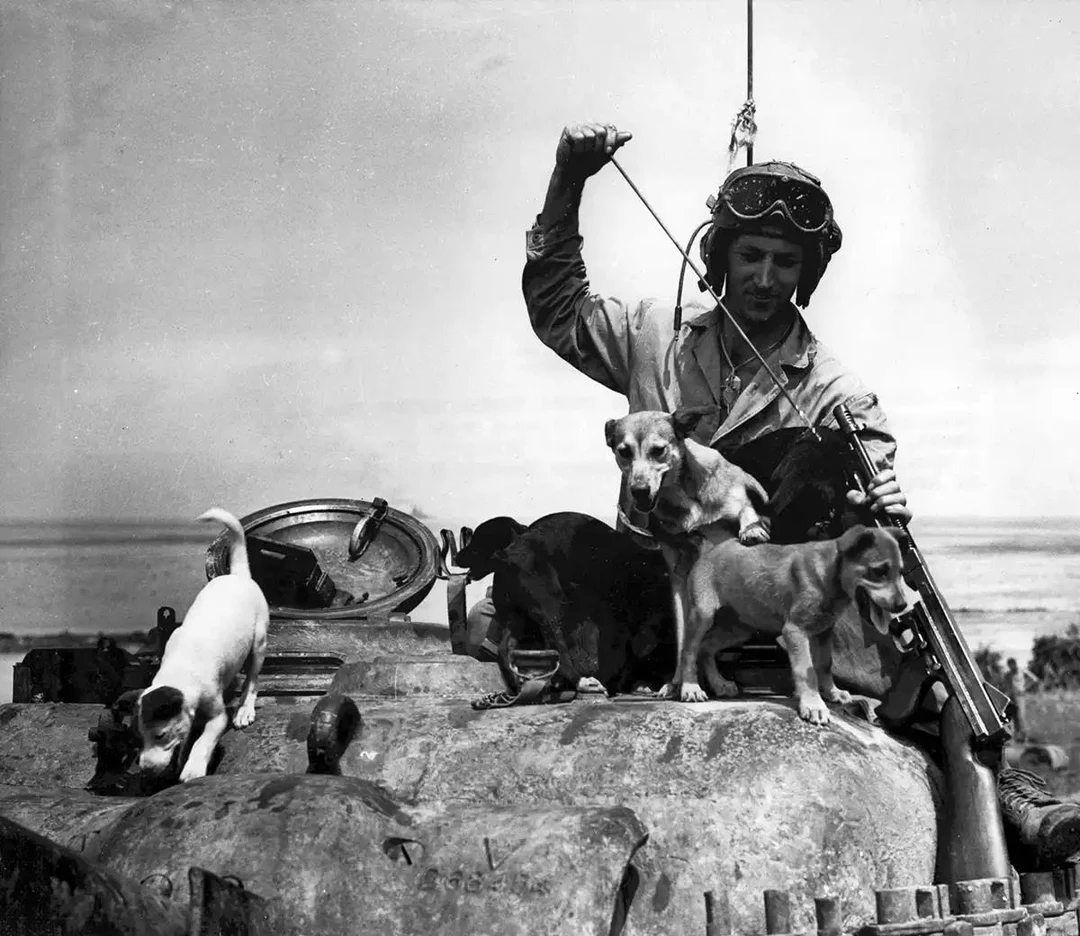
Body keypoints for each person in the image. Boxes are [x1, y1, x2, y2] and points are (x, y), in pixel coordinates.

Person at [465, 120, 1080, 870]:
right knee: (553, 538)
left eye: (785, 261)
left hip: (770, 600)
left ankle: (1004, 787)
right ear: (720, 258)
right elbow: (558, 308)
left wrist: (872, 504)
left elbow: (866, 538)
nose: (764, 277)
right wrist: (569, 180)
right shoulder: (654, 334)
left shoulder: (839, 394)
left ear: (806, 273)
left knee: (816, 465)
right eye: (749, 255)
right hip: (663, 594)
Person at [1006, 657, 1040, 741]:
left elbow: (1034, 679)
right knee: (1015, 717)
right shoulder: (1008, 674)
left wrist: (1025, 688)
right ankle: (1018, 736)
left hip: (1020, 696)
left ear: (1015, 663)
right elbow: (1007, 685)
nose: (1011, 666)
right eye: (1009, 665)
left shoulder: (1022, 671)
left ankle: (1025, 735)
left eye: (1012, 664)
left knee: (1021, 716)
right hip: (1012, 697)